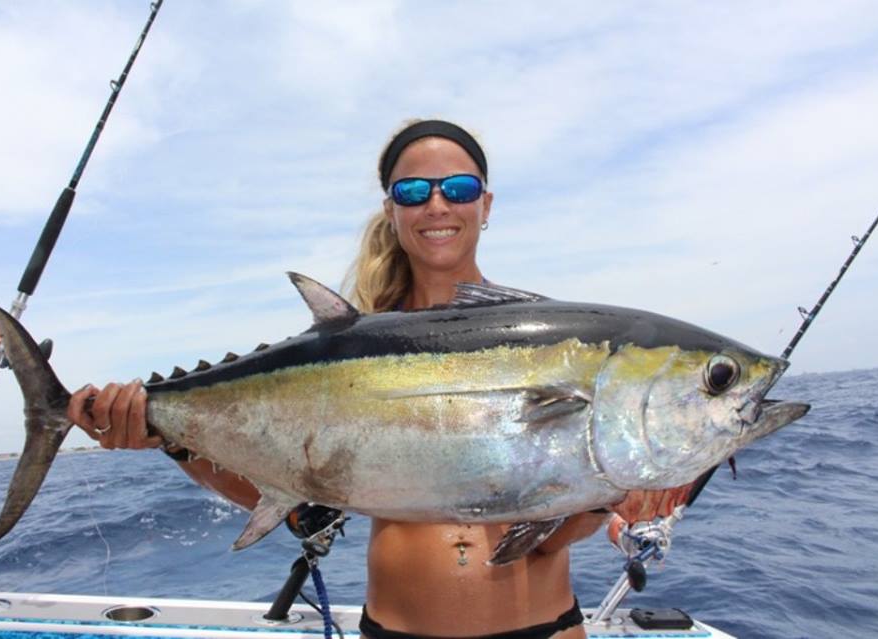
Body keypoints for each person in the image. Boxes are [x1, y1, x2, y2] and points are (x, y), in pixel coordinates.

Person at [68, 119, 692, 639]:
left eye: (460, 186)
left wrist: (619, 495)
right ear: (391, 211)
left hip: (545, 628)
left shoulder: (557, 345)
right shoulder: (342, 356)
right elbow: (298, 507)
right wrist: (169, 434)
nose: (438, 204)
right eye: (414, 190)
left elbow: (558, 535)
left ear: (487, 204)